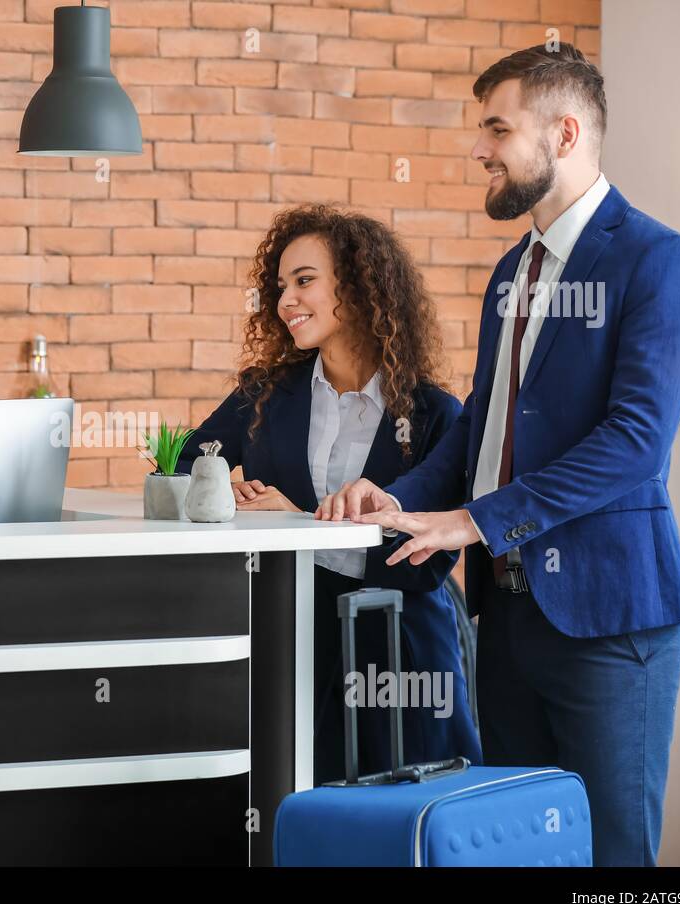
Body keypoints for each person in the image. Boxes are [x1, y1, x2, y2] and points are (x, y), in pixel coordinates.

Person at [321, 45, 680, 866]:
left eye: (498, 128)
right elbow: (480, 431)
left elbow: (636, 443)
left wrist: (476, 519)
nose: (480, 150)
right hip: (505, 620)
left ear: (564, 135)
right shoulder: (512, 274)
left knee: (612, 872)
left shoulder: (657, 260)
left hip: (610, 626)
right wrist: (397, 497)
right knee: (519, 851)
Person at [177, 203, 482, 785]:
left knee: (406, 830)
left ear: (362, 286)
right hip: (295, 644)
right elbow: (186, 461)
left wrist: (297, 526)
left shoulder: (436, 415)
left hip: (401, 660)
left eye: (305, 281)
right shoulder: (265, 394)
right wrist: (227, 491)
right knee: (301, 819)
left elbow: (424, 561)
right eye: (281, 286)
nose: (285, 300)